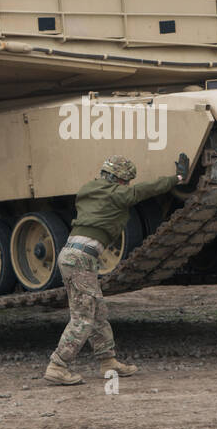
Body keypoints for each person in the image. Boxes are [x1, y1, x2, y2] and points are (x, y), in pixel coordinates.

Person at [45, 153, 188, 386]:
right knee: (83, 317)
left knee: (97, 311)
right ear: (120, 179)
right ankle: (58, 365)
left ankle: (107, 360)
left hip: (73, 255)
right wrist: (178, 178)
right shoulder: (117, 194)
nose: (127, 185)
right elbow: (144, 190)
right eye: (126, 181)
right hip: (82, 258)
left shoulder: (88, 190)